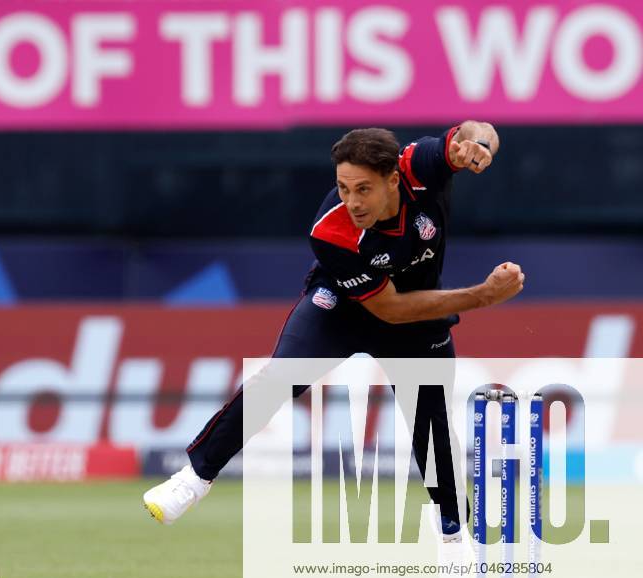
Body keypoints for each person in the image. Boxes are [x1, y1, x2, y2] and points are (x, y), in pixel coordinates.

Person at [143, 122, 524, 538]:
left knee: (430, 422)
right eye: (343, 188)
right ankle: (194, 479)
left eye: (363, 189)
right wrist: (483, 296)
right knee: (282, 376)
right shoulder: (332, 230)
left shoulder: (419, 167)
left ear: (393, 179)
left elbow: (475, 130)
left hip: (418, 314)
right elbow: (389, 309)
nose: (352, 202)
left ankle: (452, 532)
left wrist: (479, 145)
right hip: (344, 305)